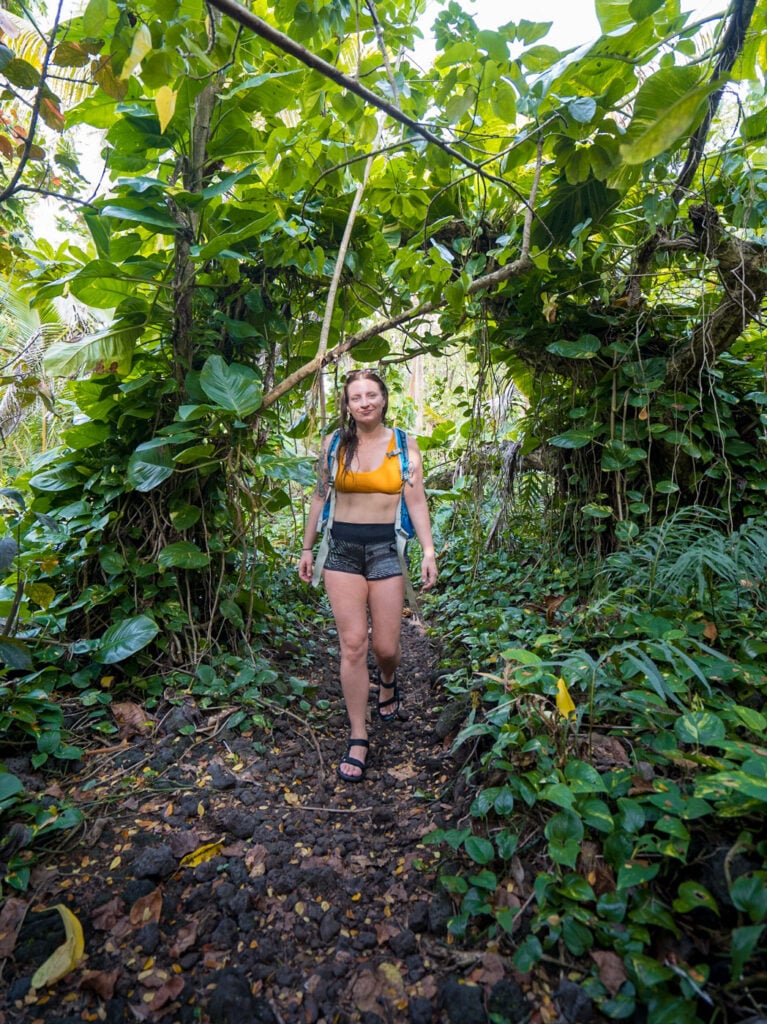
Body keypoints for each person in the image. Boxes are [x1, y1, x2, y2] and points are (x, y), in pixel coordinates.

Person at [298, 369, 438, 783]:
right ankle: (359, 736)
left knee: (386, 647)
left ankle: (389, 678)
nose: (364, 402)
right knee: (353, 644)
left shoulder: (403, 446)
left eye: (371, 394)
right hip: (340, 549)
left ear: (383, 399)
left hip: (386, 550)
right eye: (355, 396)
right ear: (346, 403)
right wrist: (307, 548)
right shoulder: (332, 446)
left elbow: (416, 502)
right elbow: (319, 496)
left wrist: (429, 551)